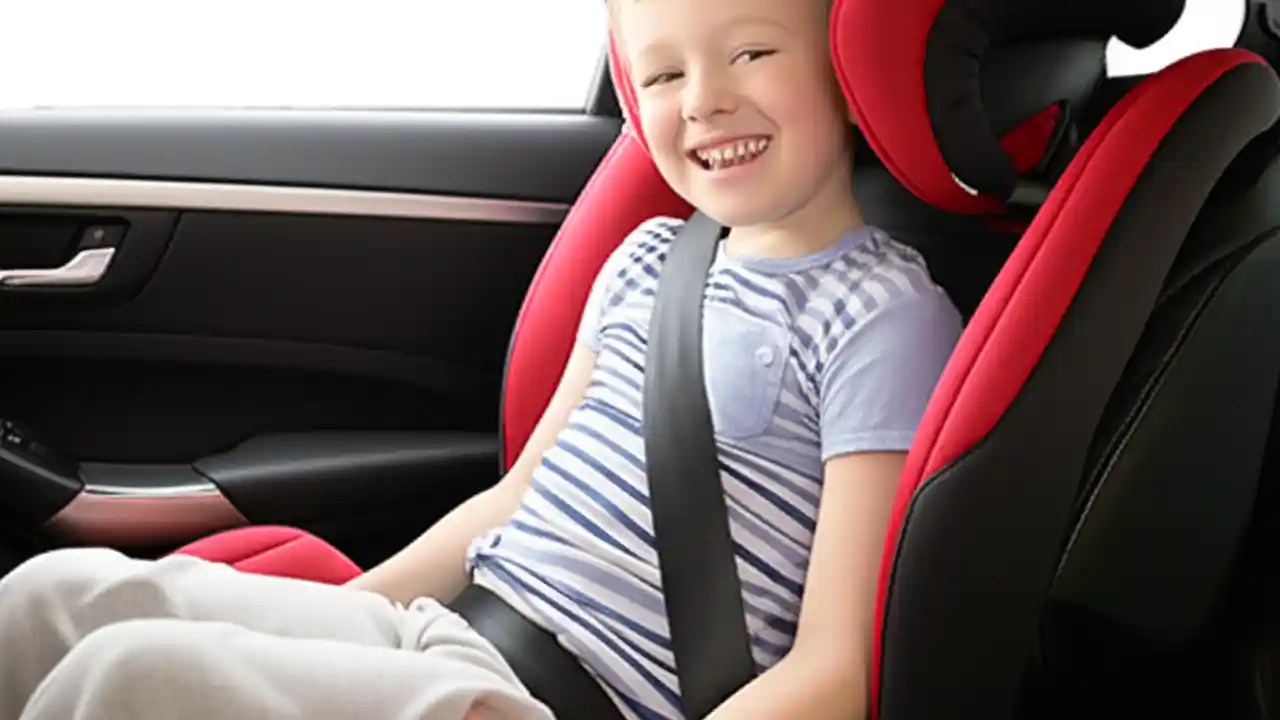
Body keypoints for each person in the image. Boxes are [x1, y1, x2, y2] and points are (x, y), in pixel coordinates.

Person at [0, 0, 962, 718]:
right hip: (455, 632)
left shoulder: (883, 316)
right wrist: (334, 616)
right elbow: (516, 499)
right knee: (47, 597)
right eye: (663, 77)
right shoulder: (647, 260)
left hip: (583, 700)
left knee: (131, 681)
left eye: (751, 52)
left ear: (844, 67)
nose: (705, 101)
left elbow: (839, 666)